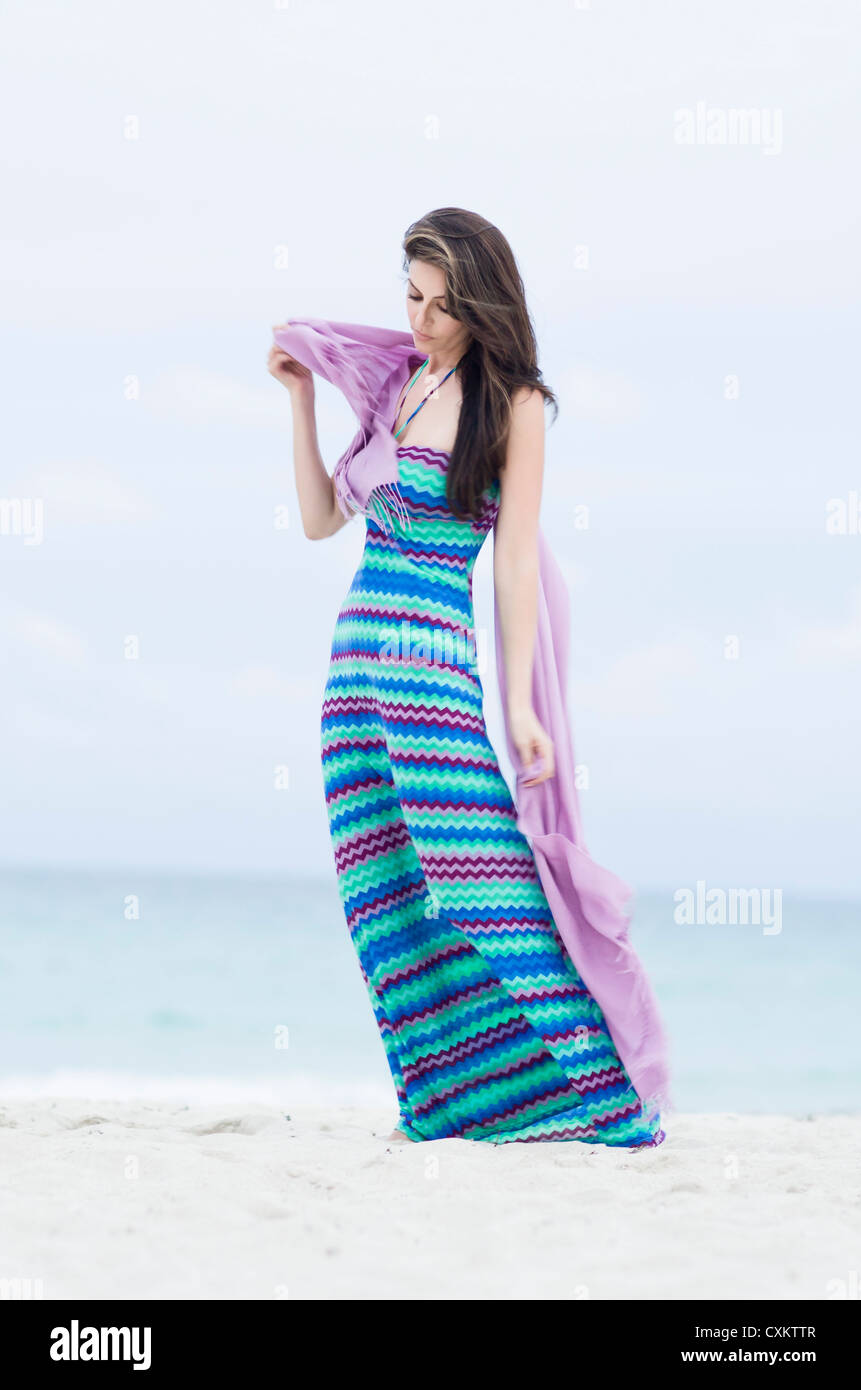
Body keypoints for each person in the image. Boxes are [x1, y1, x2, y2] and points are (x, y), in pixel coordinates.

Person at [267, 207, 666, 1147]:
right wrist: (301, 402)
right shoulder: (399, 385)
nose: (420, 320)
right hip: (354, 673)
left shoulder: (515, 402)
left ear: (480, 302)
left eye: (441, 305)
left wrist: (521, 705)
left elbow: (515, 561)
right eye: (411, 297)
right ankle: (447, 1105)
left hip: (434, 668)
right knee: (384, 895)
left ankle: (599, 1097)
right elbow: (324, 521)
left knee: (483, 883)